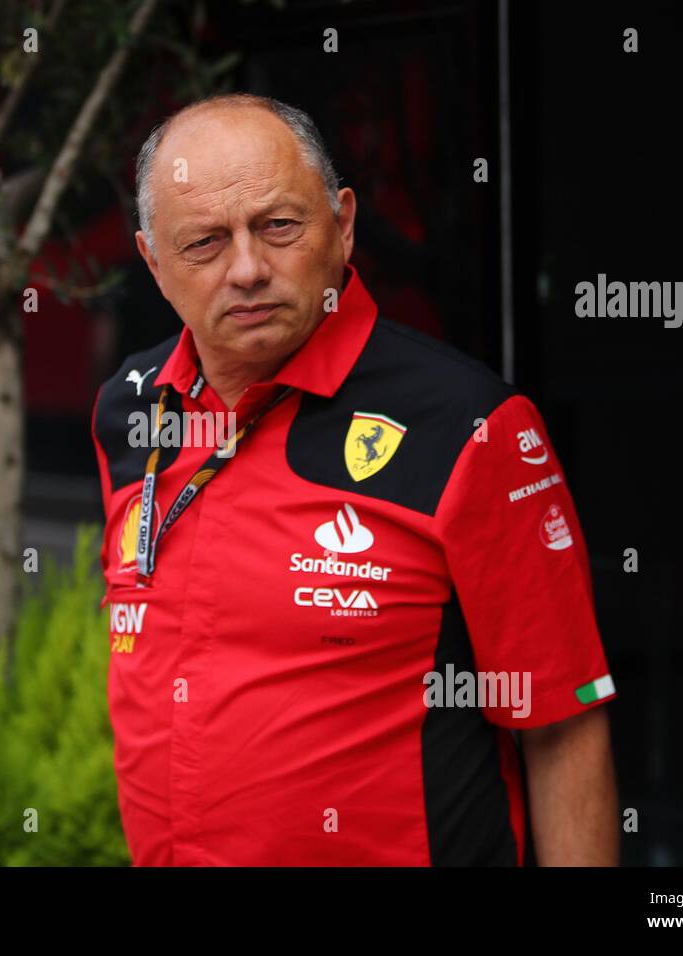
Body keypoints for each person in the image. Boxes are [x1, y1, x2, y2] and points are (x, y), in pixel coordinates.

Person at [89, 92, 618, 866]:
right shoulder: (128, 414)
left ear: (342, 226)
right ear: (153, 263)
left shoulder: (467, 424)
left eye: (278, 227)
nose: (247, 269)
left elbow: (562, 722)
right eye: (204, 242)